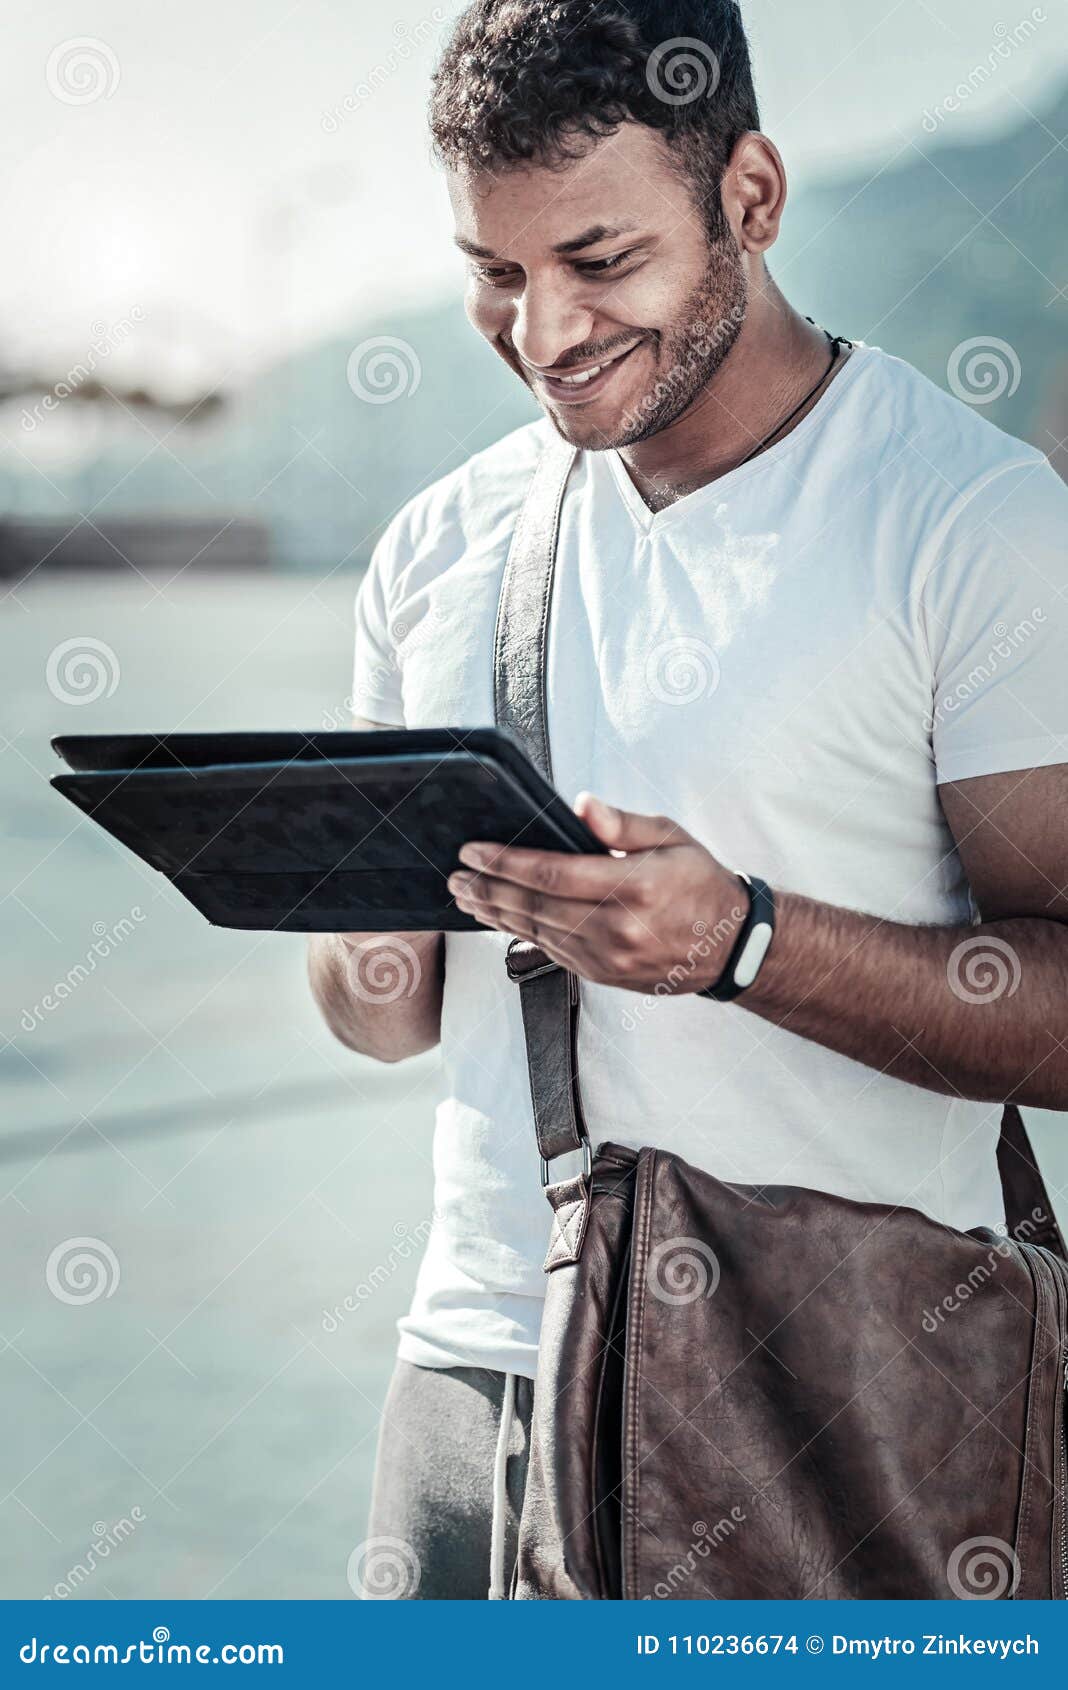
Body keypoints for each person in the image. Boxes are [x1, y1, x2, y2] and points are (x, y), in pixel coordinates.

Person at [309, 0, 1068, 1599]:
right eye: (495, 274)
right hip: (474, 1371)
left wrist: (741, 944)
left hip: (838, 1387)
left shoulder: (973, 523)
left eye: (600, 260)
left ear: (752, 197)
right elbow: (382, 1017)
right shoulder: (434, 549)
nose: (544, 332)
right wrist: (334, 902)